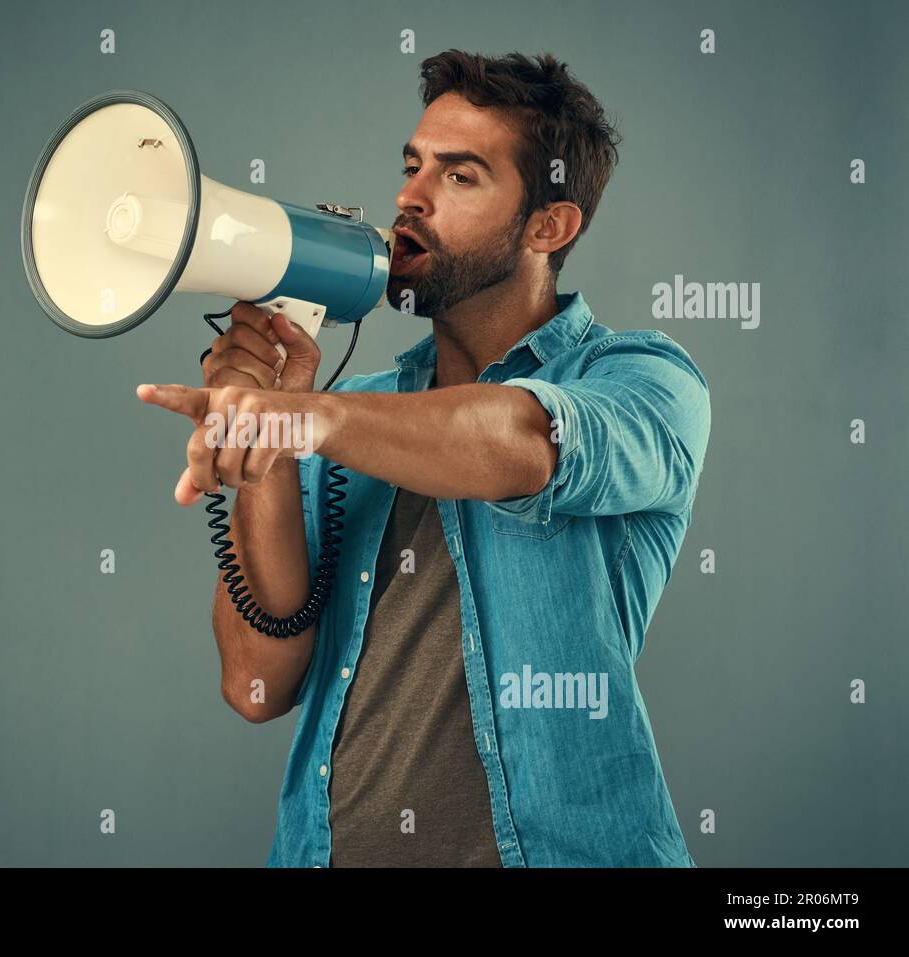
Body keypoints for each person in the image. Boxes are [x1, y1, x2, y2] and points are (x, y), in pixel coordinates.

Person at [137, 49, 711, 867]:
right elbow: (255, 685)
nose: (409, 196)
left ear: (549, 226)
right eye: (412, 166)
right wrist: (268, 441)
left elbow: (519, 442)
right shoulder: (348, 415)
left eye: (460, 176)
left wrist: (306, 418)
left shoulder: (643, 381)